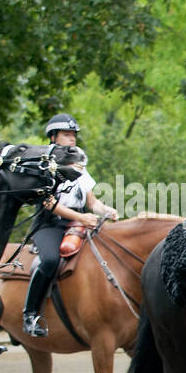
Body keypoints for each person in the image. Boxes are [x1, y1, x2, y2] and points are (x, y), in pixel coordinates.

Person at [21, 114, 118, 337]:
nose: (72, 139)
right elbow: (49, 203)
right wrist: (81, 217)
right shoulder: (45, 166)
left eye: (74, 135)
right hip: (50, 226)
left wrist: (107, 210)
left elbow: (92, 202)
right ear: (53, 138)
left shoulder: (79, 166)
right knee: (50, 260)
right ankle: (30, 314)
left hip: (78, 224)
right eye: (67, 135)